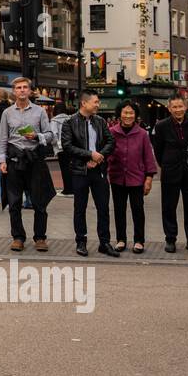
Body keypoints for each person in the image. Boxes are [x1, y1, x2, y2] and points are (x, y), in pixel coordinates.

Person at [0, 77, 56, 252]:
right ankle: (18, 237)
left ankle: (40, 238)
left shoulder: (40, 112)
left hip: (34, 160)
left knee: (39, 202)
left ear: (30, 91)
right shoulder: (7, 113)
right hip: (15, 161)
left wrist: (37, 136)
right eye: (18, 88)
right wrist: (2, 161)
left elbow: (50, 135)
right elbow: (2, 139)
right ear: (14, 92)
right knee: (14, 202)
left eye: (25, 87)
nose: (22, 90)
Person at [62, 89, 118, 257]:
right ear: (84, 103)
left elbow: (111, 141)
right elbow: (67, 146)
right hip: (80, 171)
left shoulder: (100, 121)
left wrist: (99, 157)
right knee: (80, 207)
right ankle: (81, 241)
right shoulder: (70, 122)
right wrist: (89, 155)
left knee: (103, 208)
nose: (98, 105)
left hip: (99, 170)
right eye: (95, 102)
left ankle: (104, 242)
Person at [151, 94, 188, 254]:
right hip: (170, 171)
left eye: (180, 106)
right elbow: (158, 151)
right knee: (168, 207)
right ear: (169, 108)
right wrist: (166, 165)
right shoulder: (161, 126)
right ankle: (170, 239)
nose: (178, 110)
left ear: (186, 107)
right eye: (174, 107)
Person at [106, 100, 156, 254]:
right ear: (119, 114)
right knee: (119, 210)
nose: (128, 115)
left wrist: (149, 178)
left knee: (138, 210)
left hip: (137, 178)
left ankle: (139, 241)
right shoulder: (112, 132)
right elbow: (106, 153)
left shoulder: (142, 134)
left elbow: (148, 156)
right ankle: (121, 239)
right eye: (125, 112)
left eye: (131, 113)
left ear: (136, 115)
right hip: (117, 177)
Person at [50, 104, 73, 195]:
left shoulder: (54, 121)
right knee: (71, 168)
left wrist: (54, 144)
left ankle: (67, 189)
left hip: (61, 148)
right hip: (71, 147)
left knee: (64, 169)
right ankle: (72, 188)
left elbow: (53, 135)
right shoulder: (70, 119)